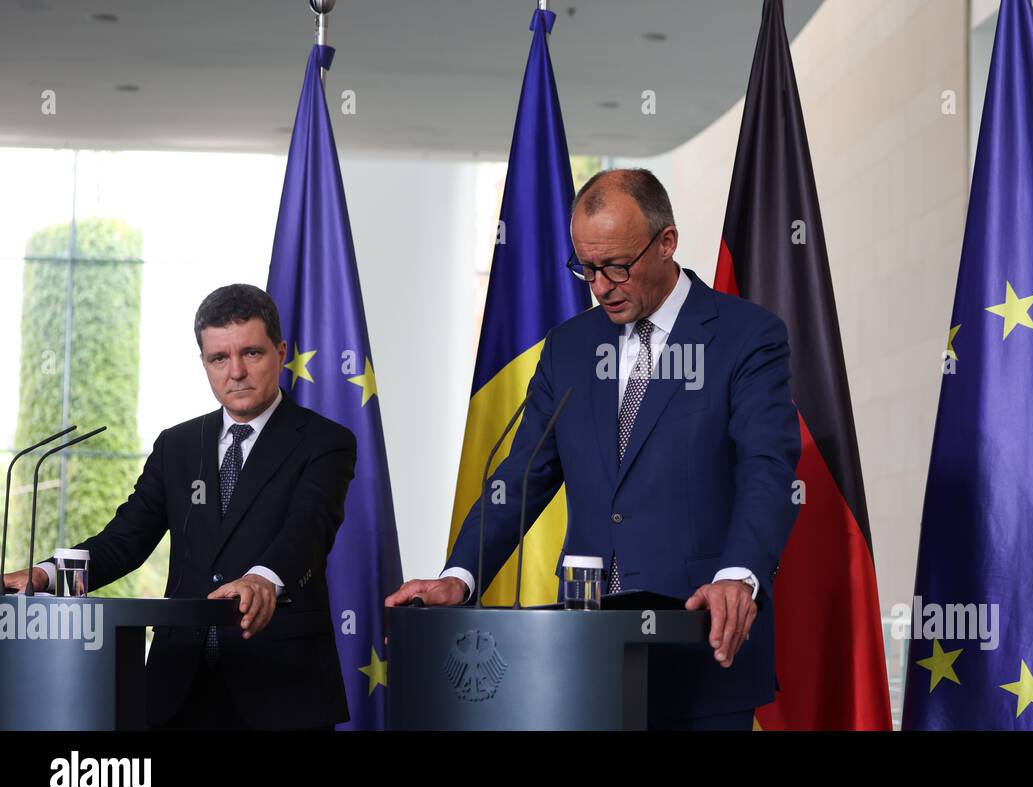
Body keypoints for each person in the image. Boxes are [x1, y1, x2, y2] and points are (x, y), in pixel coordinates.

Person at [387, 169, 801, 730]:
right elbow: (523, 475)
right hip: (581, 653)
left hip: (700, 638)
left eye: (616, 267)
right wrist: (460, 575)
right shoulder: (570, 347)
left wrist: (740, 574)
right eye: (586, 268)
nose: (601, 286)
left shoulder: (746, 336)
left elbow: (767, 471)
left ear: (667, 242)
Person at [4, 284, 354, 730]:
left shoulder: (326, 442)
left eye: (251, 353)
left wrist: (262, 578)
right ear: (204, 363)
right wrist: (46, 574)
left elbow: (309, 528)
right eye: (219, 359)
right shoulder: (178, 445)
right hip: (177, 688)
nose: (237, 372)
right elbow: (125, 540)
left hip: (280, 688)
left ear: (280, 352)